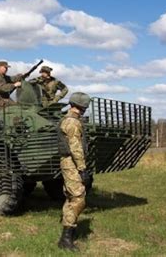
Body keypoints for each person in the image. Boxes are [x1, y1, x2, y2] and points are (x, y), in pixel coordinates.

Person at [58, 92, 91, 251]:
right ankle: (65, 239)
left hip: (69, 162)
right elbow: (75, 148)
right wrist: (82, 169)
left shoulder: (70, 119)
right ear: (83, 106)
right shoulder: (72, 122)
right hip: (72, 163)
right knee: (78, 198)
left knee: (71, 197)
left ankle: (67, 233)